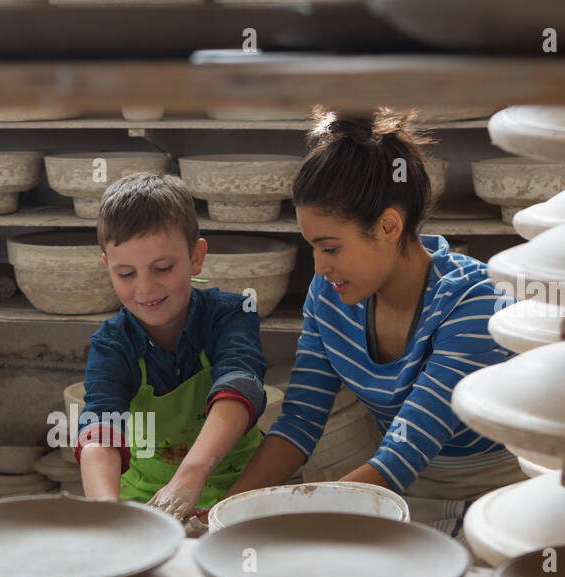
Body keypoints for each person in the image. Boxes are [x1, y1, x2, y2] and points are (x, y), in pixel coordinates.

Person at [227, 110, 526, 539]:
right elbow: (299, 425)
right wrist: (223, 511)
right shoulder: (329, 295)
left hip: (491, 494)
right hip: (398, 487)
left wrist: (289, 531)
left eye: (330, 248)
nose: (319, 266)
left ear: (388, 226)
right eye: (312, 248)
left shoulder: (474, 304)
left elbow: (401, 455)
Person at [75, 172, 268, 519]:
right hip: (147, 501)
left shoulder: (231, 315)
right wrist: (107, 515)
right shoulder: (113, 343)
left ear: (196, 257)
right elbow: (100, 429)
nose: (145, 288)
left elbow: (240, 385)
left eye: (162, 268)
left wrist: (190, 475)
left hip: (237, 492)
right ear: (107, 267)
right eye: (126, 274)